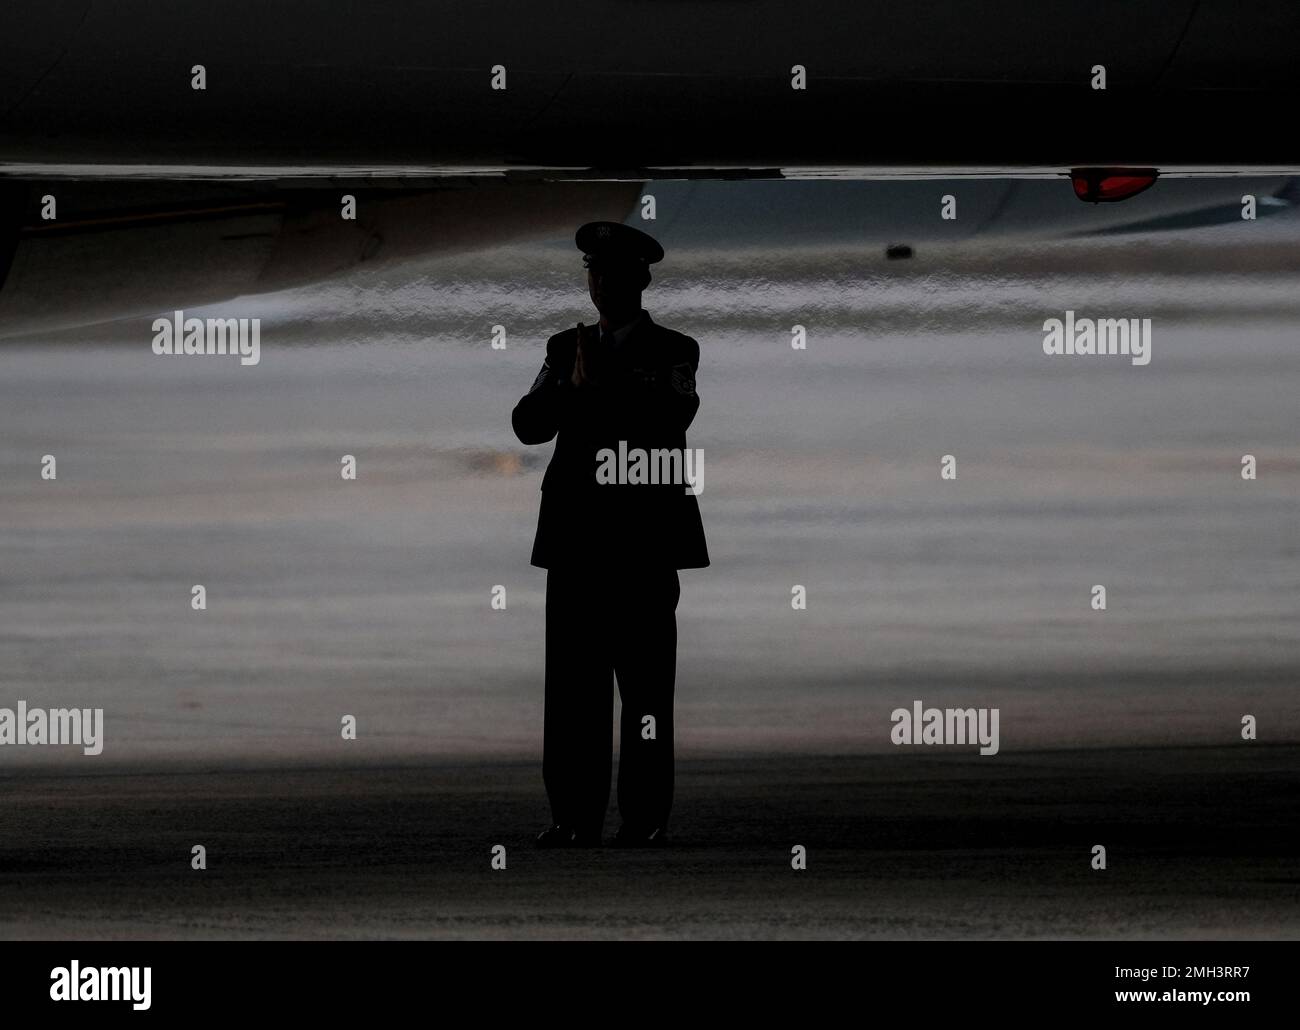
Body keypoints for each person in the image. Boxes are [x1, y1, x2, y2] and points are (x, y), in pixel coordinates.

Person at [511, 220, 709, 848]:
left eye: (616, 274)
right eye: (596, 273)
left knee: (646, 687)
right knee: (573, 690)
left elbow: (671, 417)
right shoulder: (563, 347)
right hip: (577, 543)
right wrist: (572, 387)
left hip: (643, 545)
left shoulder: (676, 349)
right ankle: (573, 816)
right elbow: (527, 424)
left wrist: (600, 389)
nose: (603, 285)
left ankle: (645, 818)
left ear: (641, 282)